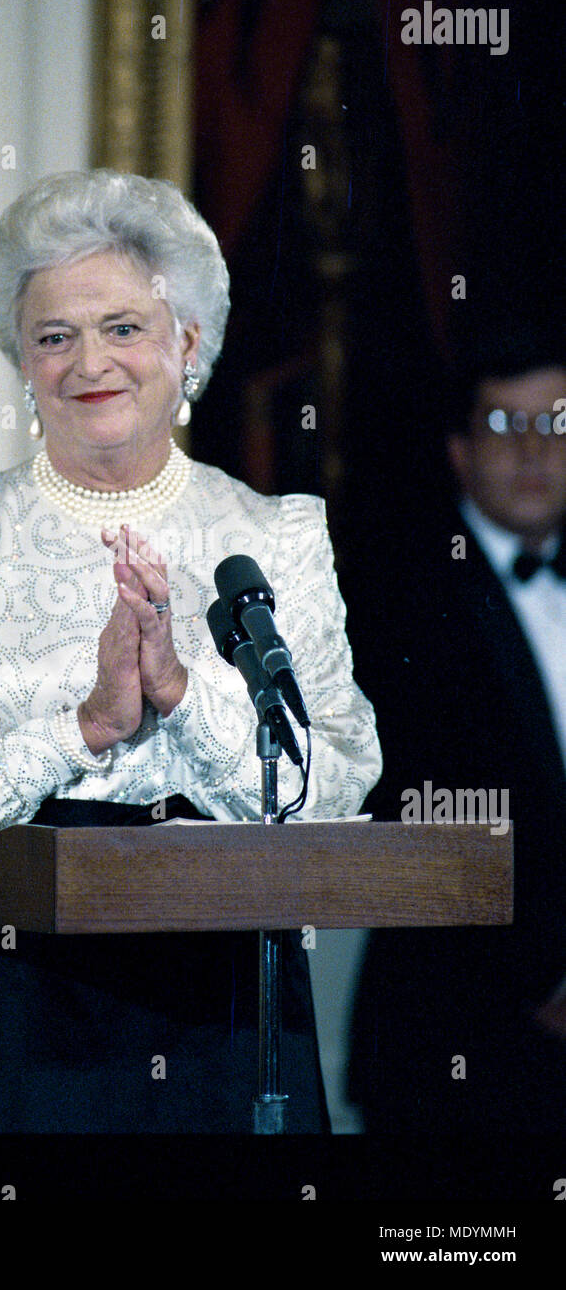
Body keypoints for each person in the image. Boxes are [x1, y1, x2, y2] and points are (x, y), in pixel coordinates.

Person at [0, 168, 381, 1133]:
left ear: (189, 343)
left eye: (124, 327)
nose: (89, 361)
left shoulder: (278, 537)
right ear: (22, 359)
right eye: (55, 336)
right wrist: (84, 728)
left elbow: (334, 785)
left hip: (223, 1003)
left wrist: (180, 691)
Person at [346, 325, 566, 1132]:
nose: (535, 449)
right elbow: (415, 810)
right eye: (505, 423)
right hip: (457, 1032)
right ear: (459, 450)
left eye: (557, 421)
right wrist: (545, 977)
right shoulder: (397, 596)